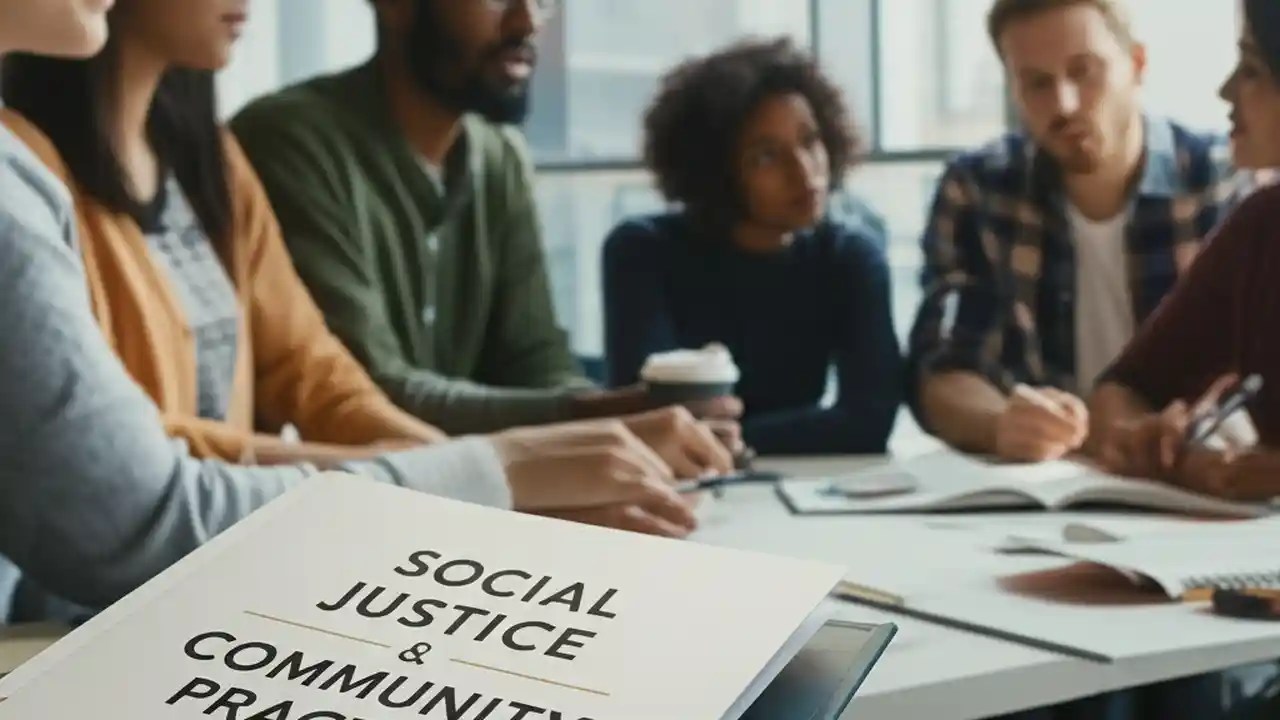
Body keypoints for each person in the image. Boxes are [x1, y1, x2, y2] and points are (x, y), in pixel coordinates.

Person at [0, 1, 707, 622]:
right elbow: (130, 463)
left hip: (209, 573)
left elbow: (314, 374)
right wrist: (483, 475)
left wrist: (476, 480)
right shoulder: (27, 170)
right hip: (96, 610)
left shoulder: (208, 154)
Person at [229, 0, 741, 438]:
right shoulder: (290, 143)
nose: (527, 22)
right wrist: (604, 416)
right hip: (345, 511)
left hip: (478, 507)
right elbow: (362, 396)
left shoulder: (500, 157)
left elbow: (537, 360)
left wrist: (630, 433)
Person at [907, 0, 1238, 464]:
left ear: (1137, 65)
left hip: (1187, 479)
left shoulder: (1225, 183)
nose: (1063, 104)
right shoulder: (979, 190)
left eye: (1084, 72)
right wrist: (1001, 422)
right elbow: (942, 367)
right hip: (1042, 487)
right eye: (1037, 83)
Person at [602, 39, 901, 456]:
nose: (804, 171)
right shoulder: (642, 251)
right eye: (766, 157)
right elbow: (650, 419)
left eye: (809, 140)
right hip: (682, 483)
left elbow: (870, 420)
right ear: (716, 174)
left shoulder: (850, 256)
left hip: (798, 485)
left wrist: (734, 438)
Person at [1091, 0, 1280, 501]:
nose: (1224, 91)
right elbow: (1124, 389)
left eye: (1252, 70)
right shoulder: (1262, 227)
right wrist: (1153, 442)